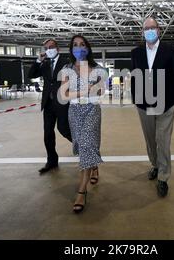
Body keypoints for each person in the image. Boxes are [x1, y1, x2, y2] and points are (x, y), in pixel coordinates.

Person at [131, 17, 174, 198]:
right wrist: (136, 99)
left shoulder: (170, 50)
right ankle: (155, 165)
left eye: (153, 27)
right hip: (144, 104)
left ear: (159, 30)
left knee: (163, 141)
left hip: (166, 104)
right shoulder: (136, 52)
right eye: (147, 28)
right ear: (142, 31)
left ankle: (163, 176)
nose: (150, 30)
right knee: (150, 140)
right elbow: (135, 76)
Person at [59, 35, 106, 213]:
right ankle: (94, 167)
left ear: (88, 47)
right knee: (82, 145)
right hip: (74, 112)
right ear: (71, 49)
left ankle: (81, 191)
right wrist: (85, 90)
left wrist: (77, 91)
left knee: (86, 142)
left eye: (82, 45)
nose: (79, 48)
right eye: (75, 45)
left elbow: (100, 91)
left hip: (92, 110)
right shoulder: (66, 69)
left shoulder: (98, 69)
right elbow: (64, 95)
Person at [28, 39, 72, 174]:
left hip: (62, 102)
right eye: (46, 48)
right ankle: (52, 161)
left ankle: (84, 148)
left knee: (64, 129)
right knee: (48, 134)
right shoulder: (45, 64)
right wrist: (37, 61)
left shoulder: (66, 62)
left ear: (57, 48)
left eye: (51, 47)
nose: (48, 49)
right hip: (48, 103)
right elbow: (31, 75)